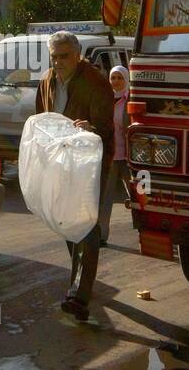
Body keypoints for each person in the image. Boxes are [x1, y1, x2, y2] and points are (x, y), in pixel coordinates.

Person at [34, 31, 114, 321]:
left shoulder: (96, 83)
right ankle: (82, 277)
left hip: (88, 165)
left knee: (86, 224)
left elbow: (105, 130)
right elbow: (40, 119)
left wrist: (89, 128)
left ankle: (79, 294)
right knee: (68, 222)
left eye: (64, 56)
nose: (58, 62)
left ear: (78, 55)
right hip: (59, 163)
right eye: (54, 57)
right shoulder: (46, 81)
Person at [97, 65, 130, 246]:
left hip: (130, 157)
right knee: (105, 197)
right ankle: (102, 235)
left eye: (120, 78)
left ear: (126, 80)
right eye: (113, 78)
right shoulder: (105, 100)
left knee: (140, 194)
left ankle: (146, 232)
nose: (116, 82)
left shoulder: (130, 99)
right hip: (110, 155)